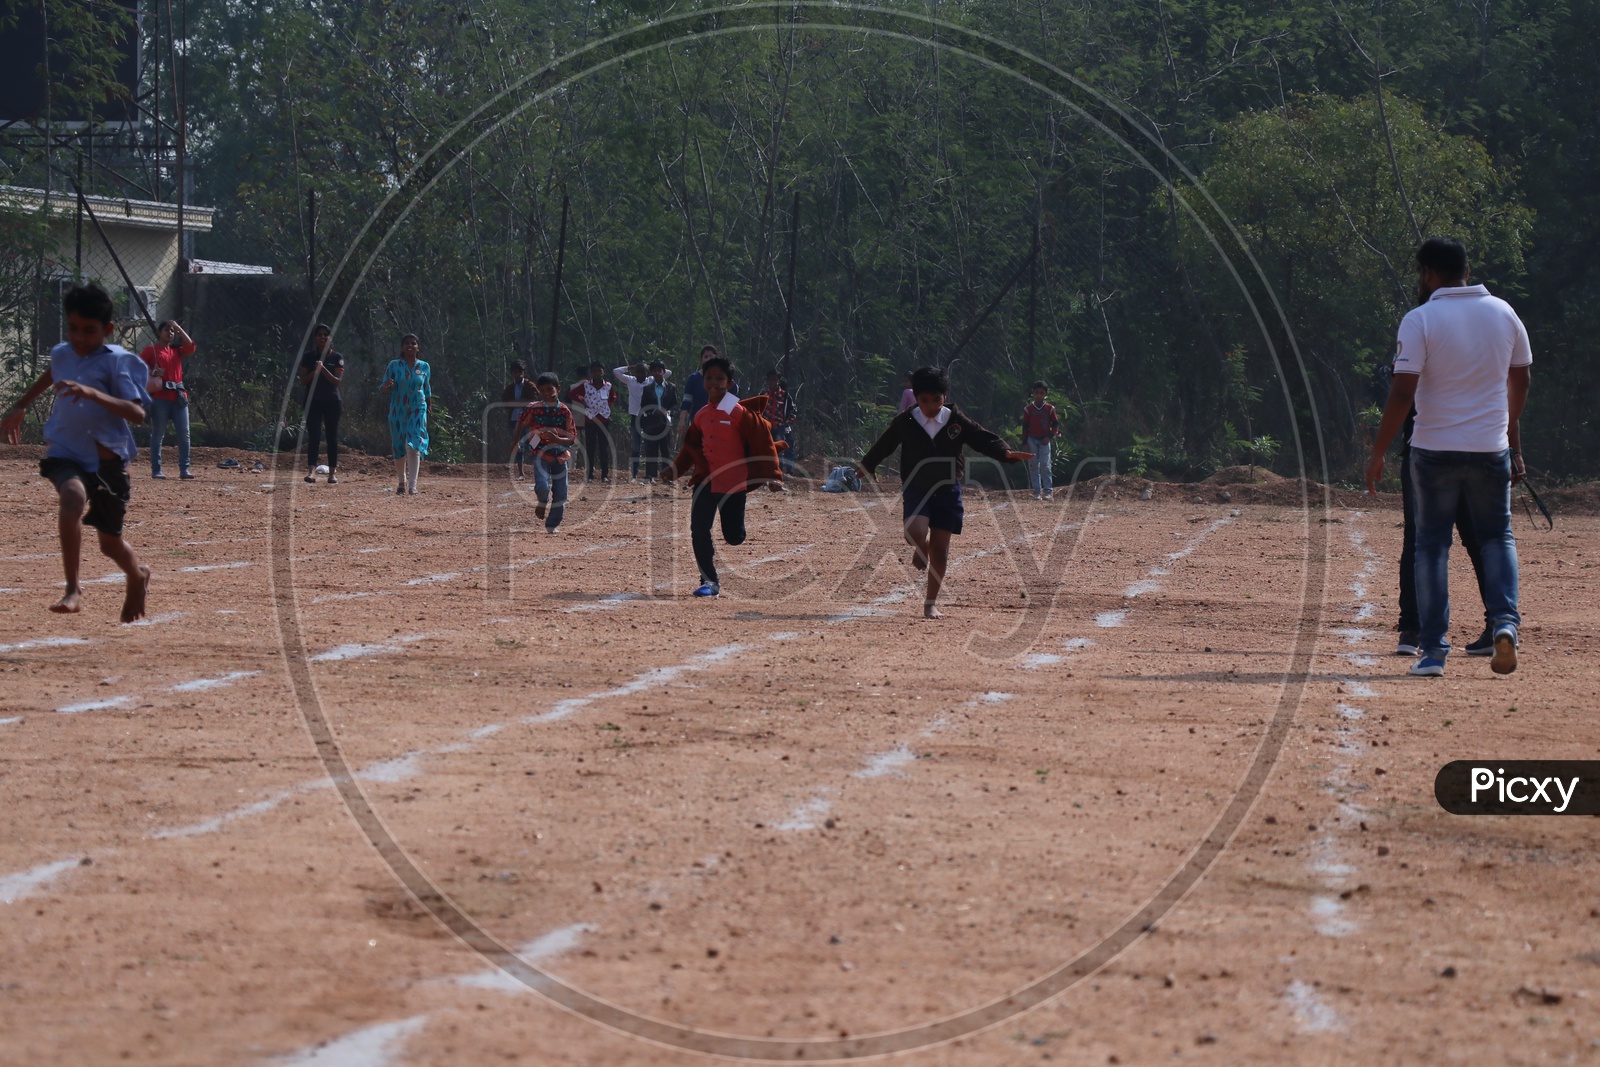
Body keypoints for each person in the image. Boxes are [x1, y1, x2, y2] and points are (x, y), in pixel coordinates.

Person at [1366, 237, 1531, 677]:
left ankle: (1433, 651)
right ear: (1467, 269)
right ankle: (1505, 624)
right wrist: (1512, 440)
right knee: (1498, 538)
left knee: (1431, 546)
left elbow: (1403, 391)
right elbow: (1521, 381)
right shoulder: (1504, 313)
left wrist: (1378, 451)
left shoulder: (1420, 319)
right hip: (1489, 449)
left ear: (1428, 273)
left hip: (1433, 451)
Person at [0, 282, 151, 622]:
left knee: (110, 545)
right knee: (71, 498)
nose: (79, 338)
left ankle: (137, 575)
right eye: (72, 328)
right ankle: (73, 588)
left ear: (107, 330)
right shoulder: (62, 353)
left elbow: (137, 413)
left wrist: (93, 393)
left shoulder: (117, 363)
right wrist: (21, 404)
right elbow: (54, 372)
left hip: (108, 463)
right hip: (66, 452)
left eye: (89, 331)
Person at [855, 365, 1031, 619]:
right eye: (924, 400)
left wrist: (1005, 452)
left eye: (936, 400)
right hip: (917, 487)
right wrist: (867, 464)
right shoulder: (905, 421)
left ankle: (930, 603)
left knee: (940, 550)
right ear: (915, 397)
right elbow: (885, 444)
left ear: (945, 396)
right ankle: (919, 547)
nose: (930, 406)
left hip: (947, 491)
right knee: (913, 532)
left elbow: (983, 438)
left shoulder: (956, 421)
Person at [659, 356, 783, 597]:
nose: (714, 383)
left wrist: (772, 476)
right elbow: (690, 448)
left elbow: (763, 443)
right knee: (699, 530)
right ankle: (709, 581)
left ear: (730, 383)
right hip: (705, 480)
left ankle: (736, 532)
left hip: (734, 483)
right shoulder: (702, 415)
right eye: (709, 378)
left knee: (734, 537)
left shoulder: (738, 412)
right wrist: (673, 470)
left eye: (720, 379)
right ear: (703, 381)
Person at [1393, 401, 1493, 657]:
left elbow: (1402, 391)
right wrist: (1512, 450)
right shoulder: (1487, 357)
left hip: (1427, 448)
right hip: (1477, 448)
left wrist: (1379, 448)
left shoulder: (1420, 357)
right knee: (1481, 540)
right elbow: (1510, 388)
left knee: (1419, 540)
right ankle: (1498, 625)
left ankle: (1413, 629)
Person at [514, 372, 577, 533]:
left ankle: (552, 525)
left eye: (550, 389)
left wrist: (557, 440)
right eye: (543, 391)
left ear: (558, 389)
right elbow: (521, 422)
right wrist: (515, 443)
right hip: (540, 454)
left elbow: (572, 439)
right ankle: (542, 502)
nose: (547, 394)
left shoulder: (564, 411)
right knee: (542, 487)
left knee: (561, 494)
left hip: (560, 456)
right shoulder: (534, 409)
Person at [139, 319, 197, 480]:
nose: (170, 333)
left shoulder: (176, 351)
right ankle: (156, 469)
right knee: (158, 433)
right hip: (160, 397)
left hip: (178, 396)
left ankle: (184, 469)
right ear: (159, 333)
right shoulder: (152, 351)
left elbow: (191, 346)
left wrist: (179, 327)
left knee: (184, 434)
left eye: (172, 331)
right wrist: (152, 372)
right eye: (167, 330)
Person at [379, 333, 432, 495]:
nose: (410, 346)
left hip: (418, 409)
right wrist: (387, 385)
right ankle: (401, 481)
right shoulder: (394, 366)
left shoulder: (424, 367)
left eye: (413, 343)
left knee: (413, 444)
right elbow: (382, 388)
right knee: (399, 445)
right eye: (407, 343)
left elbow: (427, 389)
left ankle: (412, 485)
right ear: (402, 347)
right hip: (398, 410)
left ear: (418, 347)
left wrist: (429, 407)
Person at [298, 323, 344, 484]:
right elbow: (303, 380)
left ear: (330, 338)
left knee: (332, 437)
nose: (323, 337)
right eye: (319, 335)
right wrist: (314, 372)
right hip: (313, 402)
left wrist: (323, 370)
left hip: (332, 402)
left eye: (326, 334)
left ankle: (332, 473)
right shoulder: (308, 357)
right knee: (314, 436)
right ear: (315, 338)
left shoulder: (336, 357)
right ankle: (311, 472)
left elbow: (337, 382)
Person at [614, 360, 673, 480]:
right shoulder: (630, 380)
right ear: (635, 372)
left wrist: (653, 369)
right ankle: (634, 475)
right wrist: (631, 367)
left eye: (643, 371)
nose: (640, 374)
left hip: (649, 418)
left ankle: (653, 474)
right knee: (635, 447)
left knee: (650, 446)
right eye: (638, 371)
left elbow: (668, 372)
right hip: (635, 416)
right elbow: (616, 372)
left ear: (648, 373)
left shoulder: (651, 381)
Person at [568, 362, 618, 482]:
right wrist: (583, 401)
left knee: (604, 448)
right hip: (590, 419)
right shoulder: (586, 385)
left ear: (603, 372)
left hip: (604, 419)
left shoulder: (608, 386)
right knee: (590, 448)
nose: (597, 373)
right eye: (594, 371)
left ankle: (604, 475)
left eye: (599, 371)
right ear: (591, 372)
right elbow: (572, 394)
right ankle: (589, 475)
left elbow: (613, 397)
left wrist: (606, 406)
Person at [679, 345, 739, 436]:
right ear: (701, 360)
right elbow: (686, 402)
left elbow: (734, 392)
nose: (708, 359)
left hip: (719, 424)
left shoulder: (723, 378)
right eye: (706, 357)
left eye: (711, 356)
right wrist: (682, 420)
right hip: (699, 422)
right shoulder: (694, 379)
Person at [637, 360, 678, 480]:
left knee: (666, 449)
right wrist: (654, 411)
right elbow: (643, 405)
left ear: (664, 372)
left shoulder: (671, 387)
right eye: (654, 370)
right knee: (651, 449)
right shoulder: (647, 388)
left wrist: (668, 412)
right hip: (651, 422)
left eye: (659, 370)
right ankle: (650, 475)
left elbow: (675, 404)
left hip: (666, 422)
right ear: (651, 373)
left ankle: (666, 475)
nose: (657, 372)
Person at [1021, 380, 1061, 501]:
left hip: (1044, 439)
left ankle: (1048, 491)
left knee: (1045, 465)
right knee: (1033, 465)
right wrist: (1024, 442)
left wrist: (1049, 436)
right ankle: (1036, 492)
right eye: (1036, 392)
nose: (1039, 395)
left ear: (1045, 394)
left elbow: (1055, 424)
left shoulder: (1049, 409)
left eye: (1041, 393)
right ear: (1033, 393)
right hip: (1032, 439)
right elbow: (1025, 427)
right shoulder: (1028, 409)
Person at [500, 361, 536, 478]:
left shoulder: (530, 386)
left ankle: (539, 469)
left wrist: (519, 402)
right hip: (515, 420)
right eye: (515, 372)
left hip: (530, 420)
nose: (517, 375)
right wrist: (519, 402)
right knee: (518, 445)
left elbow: (534, 400)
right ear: (512, 374)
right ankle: (521, 472)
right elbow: (505, 402)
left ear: (524, 373)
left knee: (535, 444)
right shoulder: (510, 388)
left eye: (520, 372)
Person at [761, 368, 798, 477]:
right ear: (767, 381)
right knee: (766, 449)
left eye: (775, 380)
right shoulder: (763, 394)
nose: (773, 383)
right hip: (766, 426)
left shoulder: (785, 396)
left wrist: (788, 420)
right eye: (770, 380)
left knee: (779, 449)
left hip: (779, 426)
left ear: (778, 381)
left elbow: (793, 410)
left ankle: (779, 473)